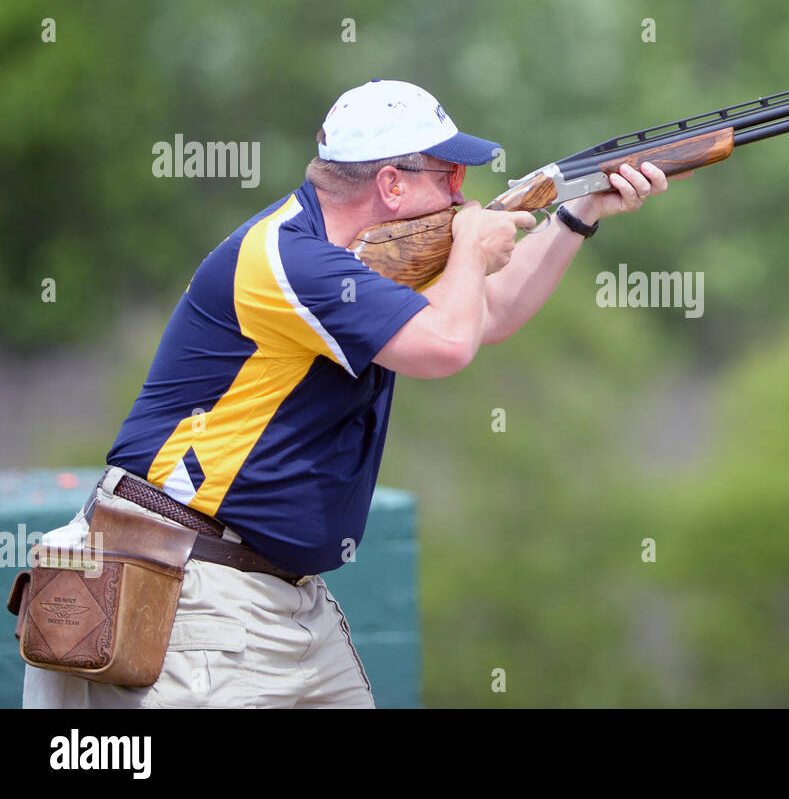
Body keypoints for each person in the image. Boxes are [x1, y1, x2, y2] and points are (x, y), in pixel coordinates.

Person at [22, 78, 670, 708]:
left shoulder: (357, 261)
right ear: (391, 184)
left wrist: (577, 212)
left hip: (283, 593)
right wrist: (470, 251)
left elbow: (488, 315)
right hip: (194, 583)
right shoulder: (293, 260)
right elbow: (447, 346)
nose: (461, 193)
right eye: (447, 176)